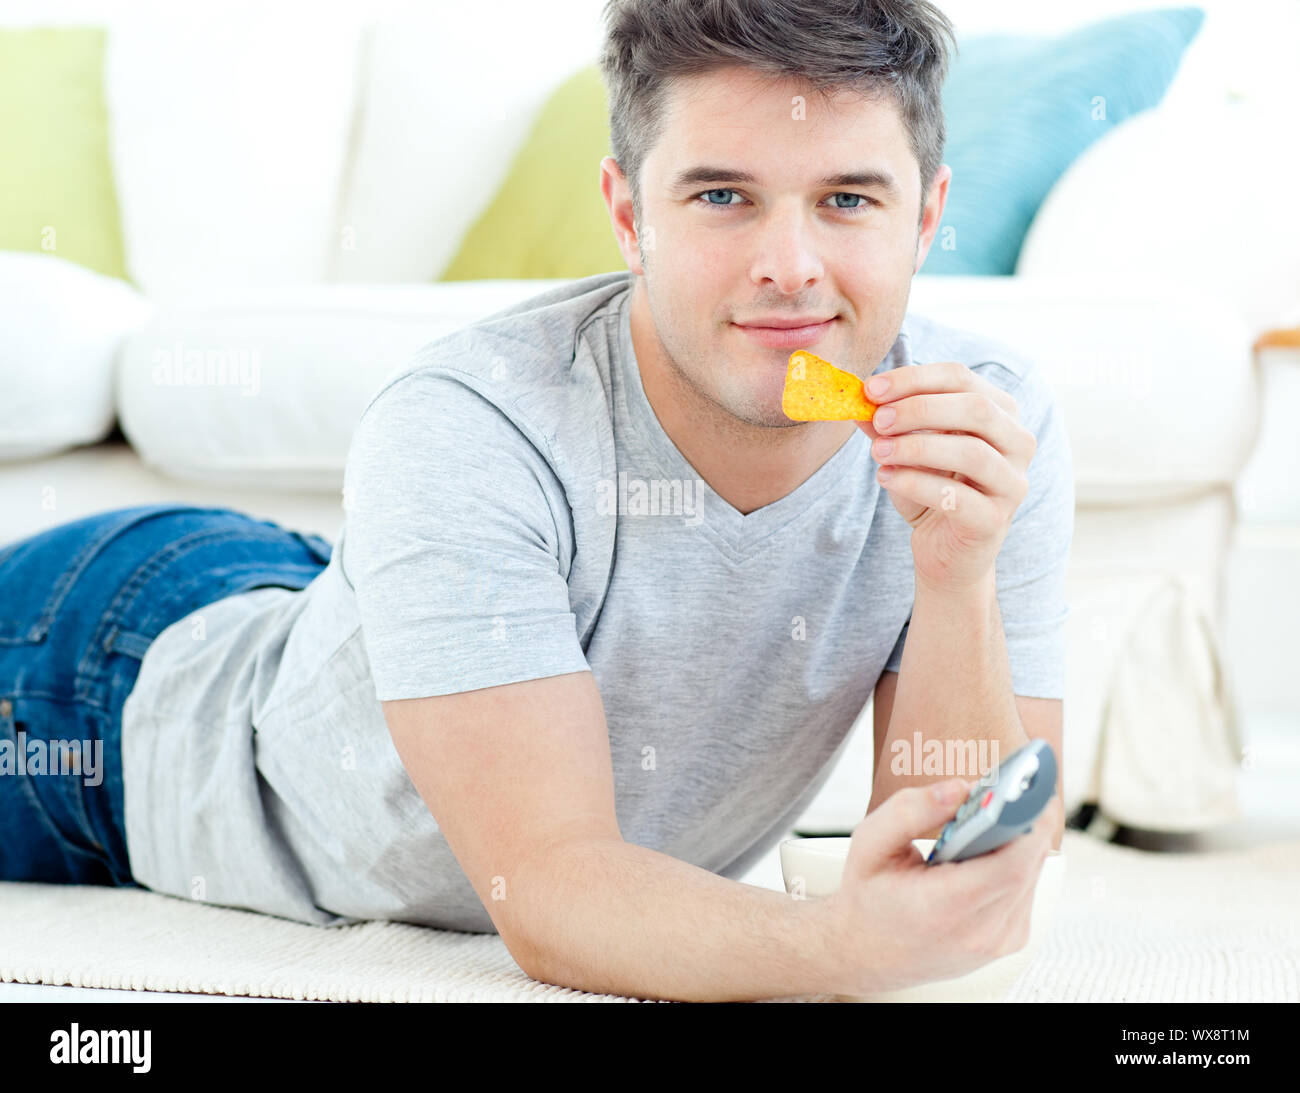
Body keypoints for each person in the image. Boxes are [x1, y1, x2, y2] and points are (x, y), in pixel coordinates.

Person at [0, 0, 1071, 1002]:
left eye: (846, 199)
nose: (788, 267)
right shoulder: (467, 421)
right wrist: (834, 945)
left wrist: (956, 567)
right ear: (625, 213)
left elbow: (958, 858)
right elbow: (550, 893)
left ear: (925, 215)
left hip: (319, 612)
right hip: (96, 683)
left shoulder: (987, 433)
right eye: (720, 197)